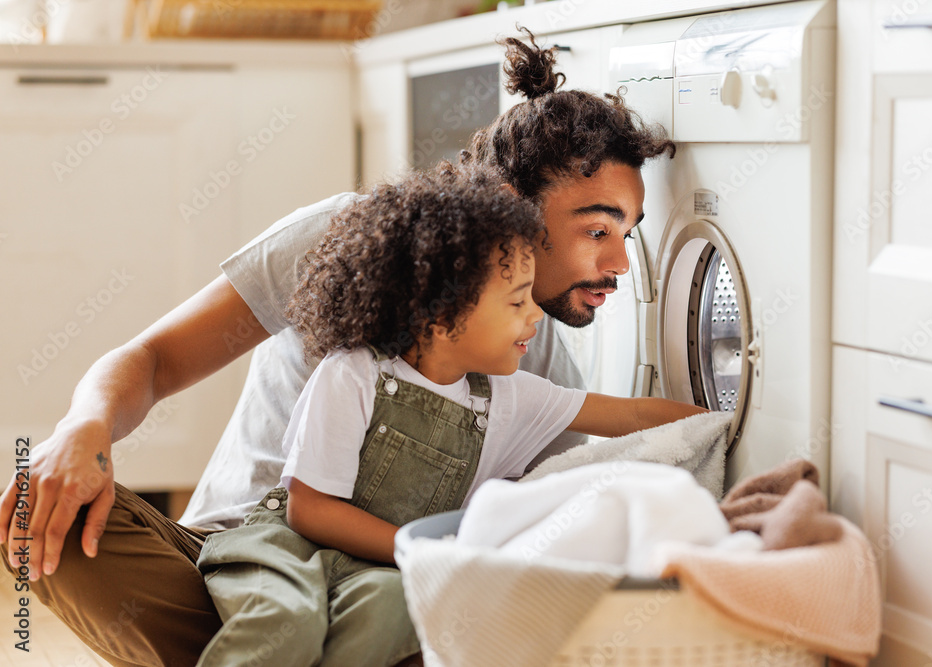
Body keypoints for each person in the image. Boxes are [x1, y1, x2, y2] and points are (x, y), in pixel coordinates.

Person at [0, 28, 675, 667]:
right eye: (597, 230)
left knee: (408, 617)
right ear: (511, 204)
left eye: (631, 232)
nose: (620, 262)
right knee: (39, 511)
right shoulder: (348, 241)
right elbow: (155, 359)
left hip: (374, 587)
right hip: (236, 555)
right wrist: (81, 427)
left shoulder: (536, 357)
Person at [195, 163, 703, 667]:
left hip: (373, 565)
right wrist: (420, 549)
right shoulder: (353, 374)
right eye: (516, 300)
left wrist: (725, 420)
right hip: (286, 547)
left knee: (394, 610)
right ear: (442, 315)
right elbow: (308, 509)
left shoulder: (508, 393)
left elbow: (632, 413)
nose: (534, 317)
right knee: (290, 620)